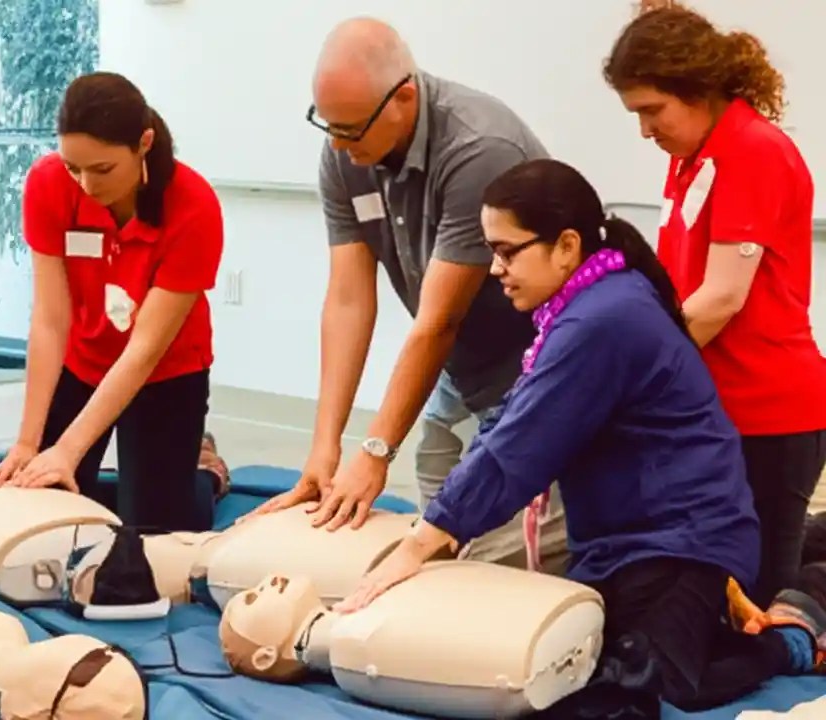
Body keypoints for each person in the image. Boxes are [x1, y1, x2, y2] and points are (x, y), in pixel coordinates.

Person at [335, 158, 826, 715]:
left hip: (679, 542)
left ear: (567, 246)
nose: (495, 269)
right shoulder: (583, 307)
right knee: (580, 662)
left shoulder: (604, 319)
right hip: (627, 544)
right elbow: (511, 418)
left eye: (507, 250)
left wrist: (424, 541)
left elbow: (520, 445)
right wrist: (436, 530)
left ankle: (796, 630)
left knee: (652, 687)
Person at [246, 17, 566, 573]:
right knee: (436, 499)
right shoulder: (346, 152)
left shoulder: (477, 149)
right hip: (462, 359)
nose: (340, 147)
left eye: (351, 130)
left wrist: (374, 451)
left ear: (404, 97)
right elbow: (348, 300)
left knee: (498, 555)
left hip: (538, 365)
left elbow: (436, 321)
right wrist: (326, 446)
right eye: (329, 127)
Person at [605, 4, 826, 608]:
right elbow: (678, 284)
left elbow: (722, 296)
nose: (645, 131)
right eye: (637, 114)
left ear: (698, 90)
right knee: (727, 574)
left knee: (766, 595)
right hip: (717, 403)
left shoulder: (752, 150)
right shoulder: (691, 156)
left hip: (771, 408)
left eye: (653, 110)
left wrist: (635, 378)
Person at [0, 71, 226, 532]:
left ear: (144, 143)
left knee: (154, 534)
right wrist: (29, 443)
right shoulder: (48, 184)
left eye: (102, 169)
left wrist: (68, 450)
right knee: (41, 503)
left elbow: (145, 349)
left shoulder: (194, 205)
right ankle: (105, 483)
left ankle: (203, 473)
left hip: (164, 374)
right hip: (83, 361)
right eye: (74, 167)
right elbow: (50, 319)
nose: (85, 184)